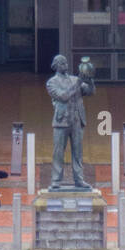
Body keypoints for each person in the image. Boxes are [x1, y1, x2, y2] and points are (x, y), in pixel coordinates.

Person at [46, 54, 95, 189]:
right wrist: (79, 82)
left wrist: (90, 78)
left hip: (77, 120)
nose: (65, 66)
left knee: (78, 152)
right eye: (62, 63)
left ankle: (79, 180)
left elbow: (90, 91)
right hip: (61, 121)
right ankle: (56, 181)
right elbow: (63, 96)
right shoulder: (52, 82)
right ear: (55, 66)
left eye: (66, 63)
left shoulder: (75, 79)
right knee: (58, 153)